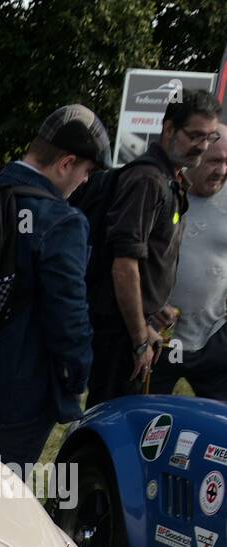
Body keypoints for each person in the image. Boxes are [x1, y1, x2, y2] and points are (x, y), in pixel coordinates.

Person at [0, 106, 109, 468]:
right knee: (1, 500)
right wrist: (77, 378)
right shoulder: (62, 222)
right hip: (19, 398)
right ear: (66, 162)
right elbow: (69, 315)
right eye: (86, 171)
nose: (85, 182)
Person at [85, 90, 223, 405]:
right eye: (195, 135)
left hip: (139, 327)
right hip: (120, 335)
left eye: (209, 137)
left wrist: (154, 305)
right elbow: (124, 265)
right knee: (112, 417)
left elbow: (147, 263)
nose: (202, 145)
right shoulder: (147, 179)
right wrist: (137, 338)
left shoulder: (170, 178)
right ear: (169, 129)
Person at [150, 131, 227, 399]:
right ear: (195, 157)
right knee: (148, 420)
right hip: (158, 334)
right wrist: (149, 303)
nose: (222, 170)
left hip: (215, 335)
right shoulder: (162, 191)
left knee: (219, 425)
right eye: (214, 161)